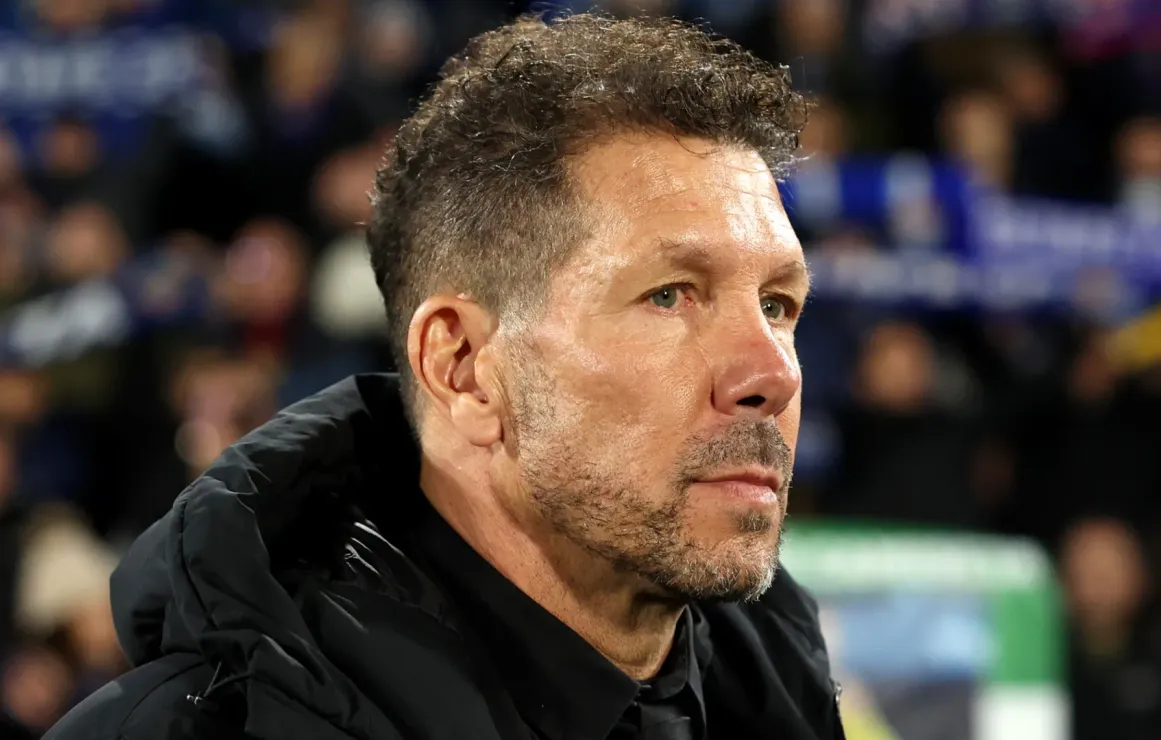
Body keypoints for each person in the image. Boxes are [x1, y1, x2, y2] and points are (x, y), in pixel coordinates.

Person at [46, 12, 843, 740]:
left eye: (778, 304)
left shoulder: (785, 702)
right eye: (669, 295)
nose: (772, 372)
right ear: (461, 367)